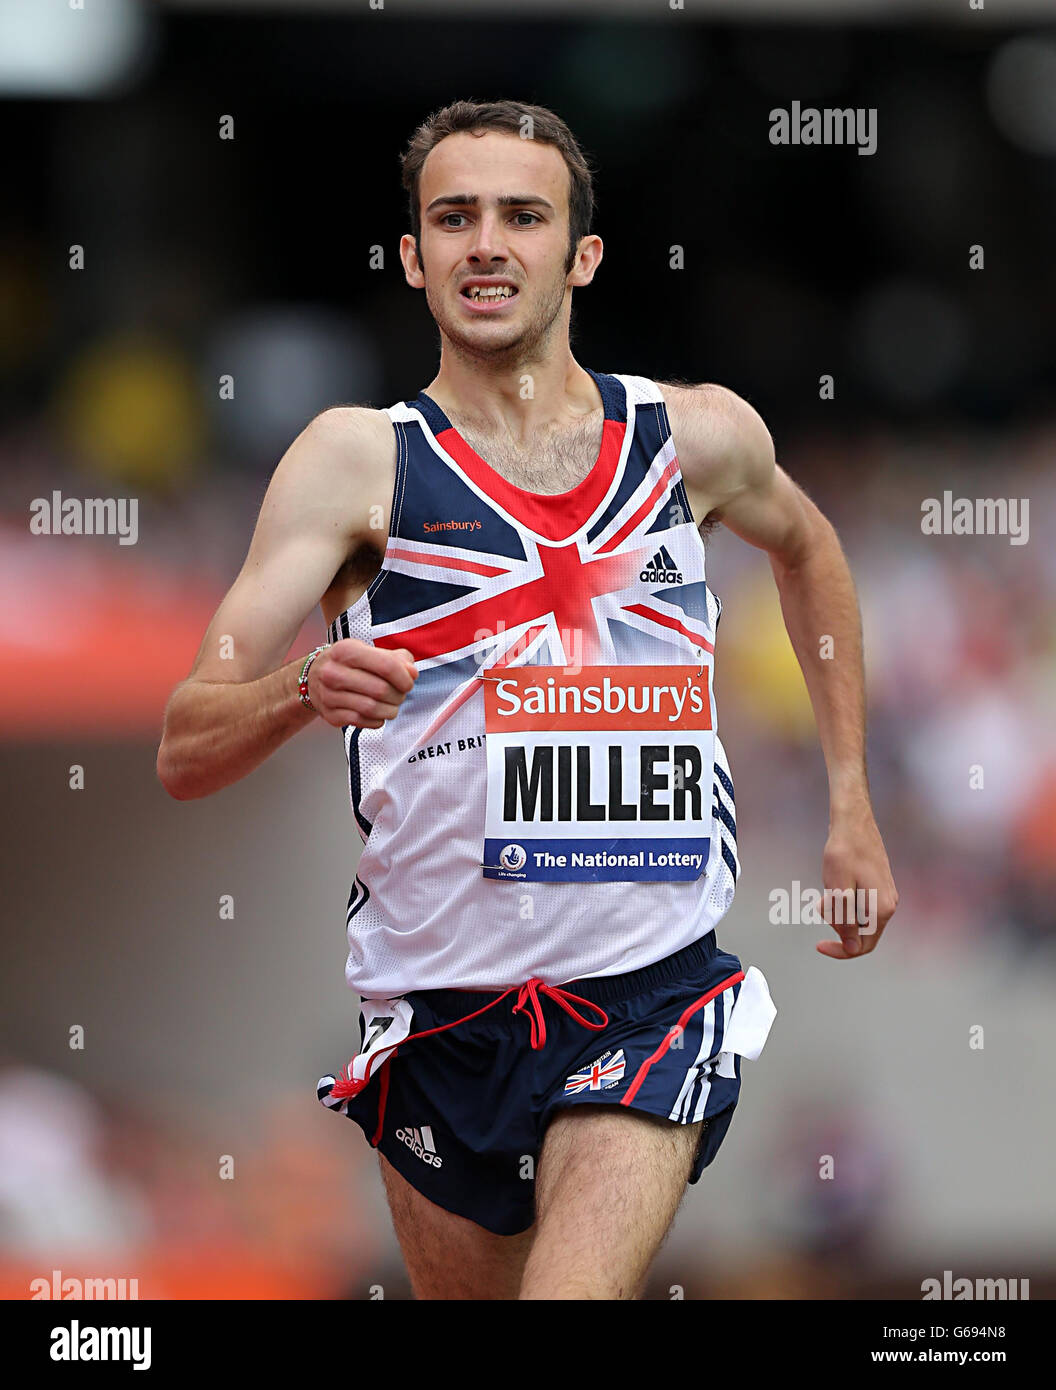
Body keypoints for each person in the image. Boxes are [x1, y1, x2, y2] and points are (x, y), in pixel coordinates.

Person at [157, 99, 898, 1301]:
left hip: (648, 987)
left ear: (582, 254)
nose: (485, 244)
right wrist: (303, 686)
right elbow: (188, 743)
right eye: (453, 218)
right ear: (412, 258)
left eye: (522, 216)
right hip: (442, 1014)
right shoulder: (358, 464)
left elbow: (811, 551)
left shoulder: (692, 438)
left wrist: (852, 797)